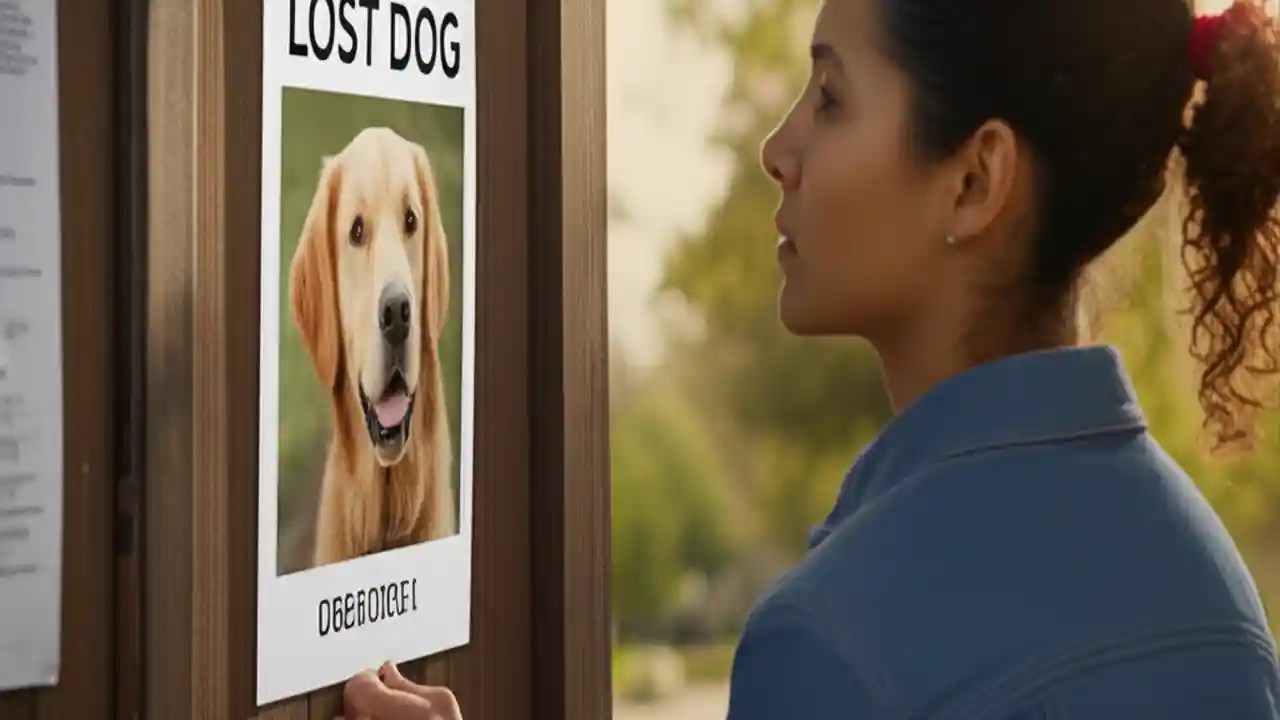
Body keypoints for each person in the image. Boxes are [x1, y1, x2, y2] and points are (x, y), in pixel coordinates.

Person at [342, 0, 1280, 718]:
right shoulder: (1212, 591)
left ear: (975, 180)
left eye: (830, 98)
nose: (776, 147)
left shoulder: (833, 643)